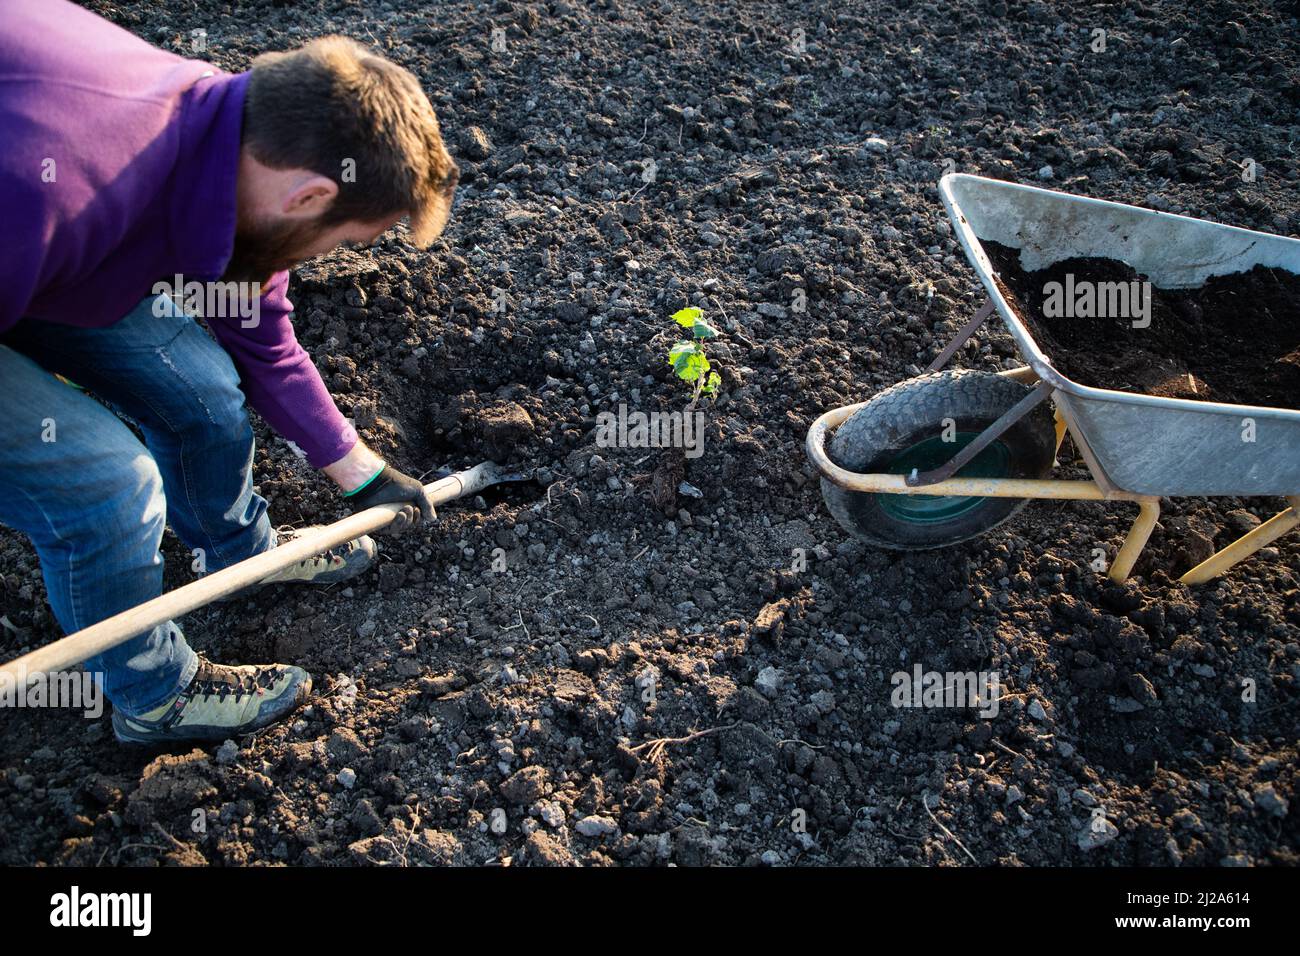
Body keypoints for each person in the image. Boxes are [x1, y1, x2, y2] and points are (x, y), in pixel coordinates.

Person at [0, 0, 459, 744]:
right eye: (342, 241)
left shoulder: (227, 137)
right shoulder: (57, 180)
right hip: (29, 229)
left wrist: (362, 475)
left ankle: (237, 553)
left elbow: (260, 335)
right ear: (309, 196)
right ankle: (153, 695)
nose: (328, 257)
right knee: (105, 484)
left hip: (44, 255)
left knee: (204, 391)